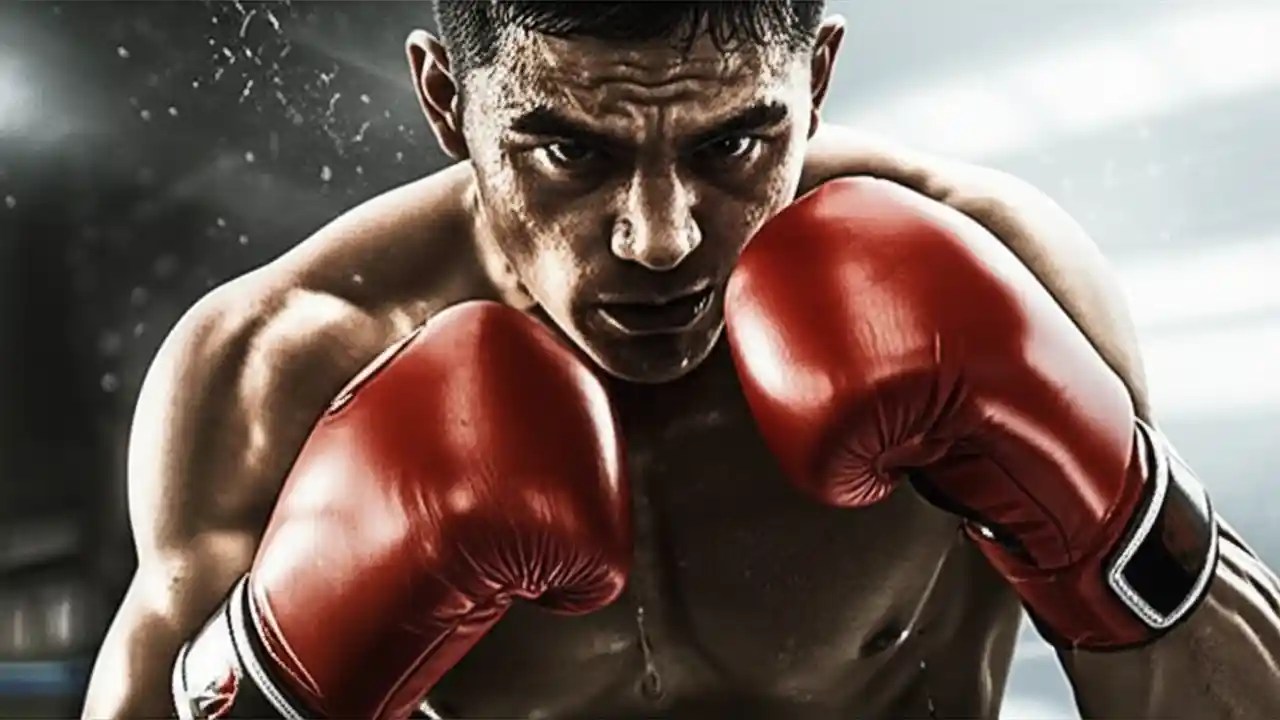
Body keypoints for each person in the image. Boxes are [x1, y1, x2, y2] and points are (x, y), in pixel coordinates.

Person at [82, 3, 1280, 718]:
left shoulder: (998, 268)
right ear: (447, 102)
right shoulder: (280, 366)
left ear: (812, 79)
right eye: (567, 150)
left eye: (732, 142)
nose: (659, 238)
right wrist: (284, 677)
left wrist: (1097, 518)